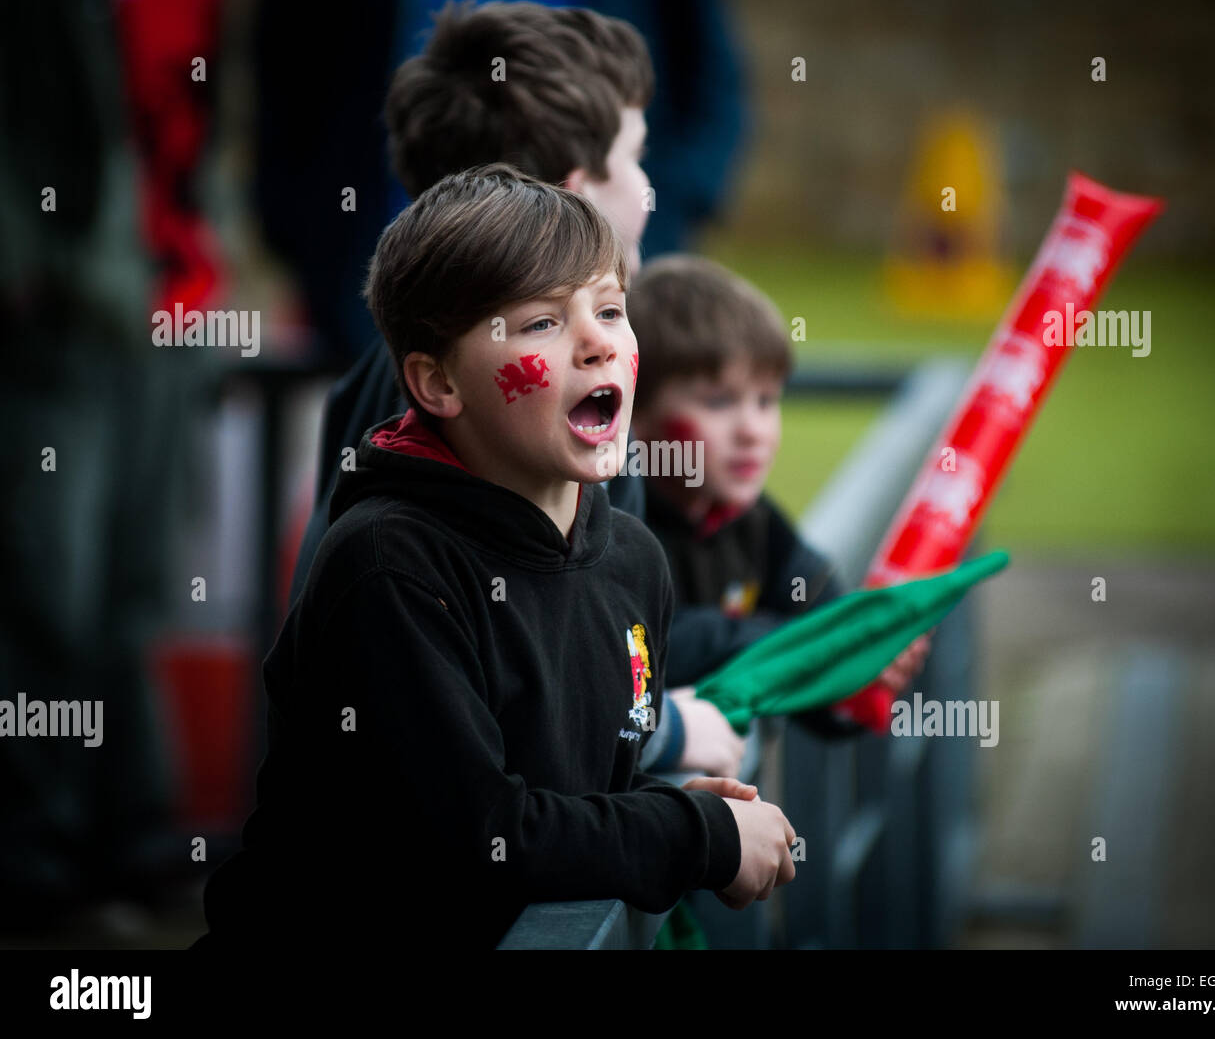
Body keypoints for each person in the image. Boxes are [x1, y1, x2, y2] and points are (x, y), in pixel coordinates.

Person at [195, 166, 799, 949]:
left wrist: (667, 802)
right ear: (438, 381)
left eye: (611, 310)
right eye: (543, 323)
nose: (597, 344)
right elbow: (480, 834)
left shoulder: (634, 559)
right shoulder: (390, 567)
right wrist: (692, 832)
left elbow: (568, 783)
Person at [286, 0, 744, 776]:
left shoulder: (391, 375)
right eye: (636, 155)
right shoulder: (496, 441)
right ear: (574, 189)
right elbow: (546, 655)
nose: (648, 188)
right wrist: (666, 734)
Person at [626, 254, 930, 756]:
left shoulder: (756, 522)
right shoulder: (616, 528)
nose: (752, 429)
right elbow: (660, 647)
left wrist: (863, 656)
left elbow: (820, 616)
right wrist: (798, 644)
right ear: (635, 414)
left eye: (767, 400)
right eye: (718, 401)